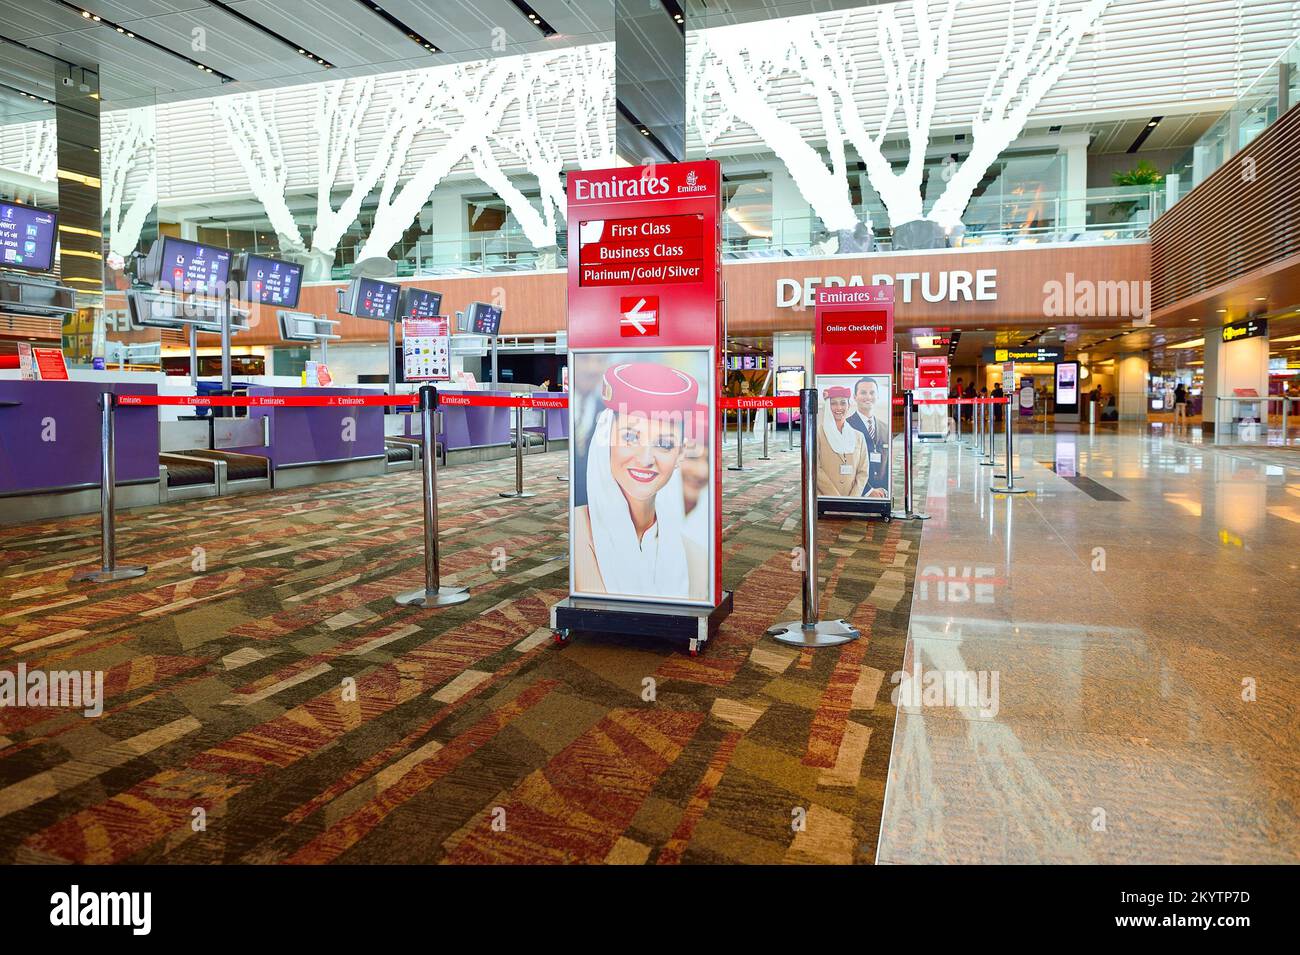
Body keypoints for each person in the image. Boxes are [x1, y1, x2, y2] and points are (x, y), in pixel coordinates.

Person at [572, 362, 707, 602]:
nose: (645, 459)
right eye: (630, 437)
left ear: (681, 453)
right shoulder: (579, 532)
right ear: (606, 437)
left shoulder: (694, 557)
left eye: (664, 444)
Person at [817, 385, 870, 497]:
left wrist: (852, 498)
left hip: (852, 500)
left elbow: (863, 472)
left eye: (843, 403)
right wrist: (835, 498)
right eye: (833, 403)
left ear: (849, 406)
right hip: (825, 498)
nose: (839, 408)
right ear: (827, 406)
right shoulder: (818, 434)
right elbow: (815, 469)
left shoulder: (858, 436)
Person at [845, 377, 890, 499]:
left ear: (878, 396)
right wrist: (869, 491)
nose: (868, 397)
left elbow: (887, 464)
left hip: (881, 493)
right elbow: (845, 464)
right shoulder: (846, 426)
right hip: (857, 492)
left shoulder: (885, 428)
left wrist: (885, 489)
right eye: (863, 392)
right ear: (855, 397)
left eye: (872, 392)